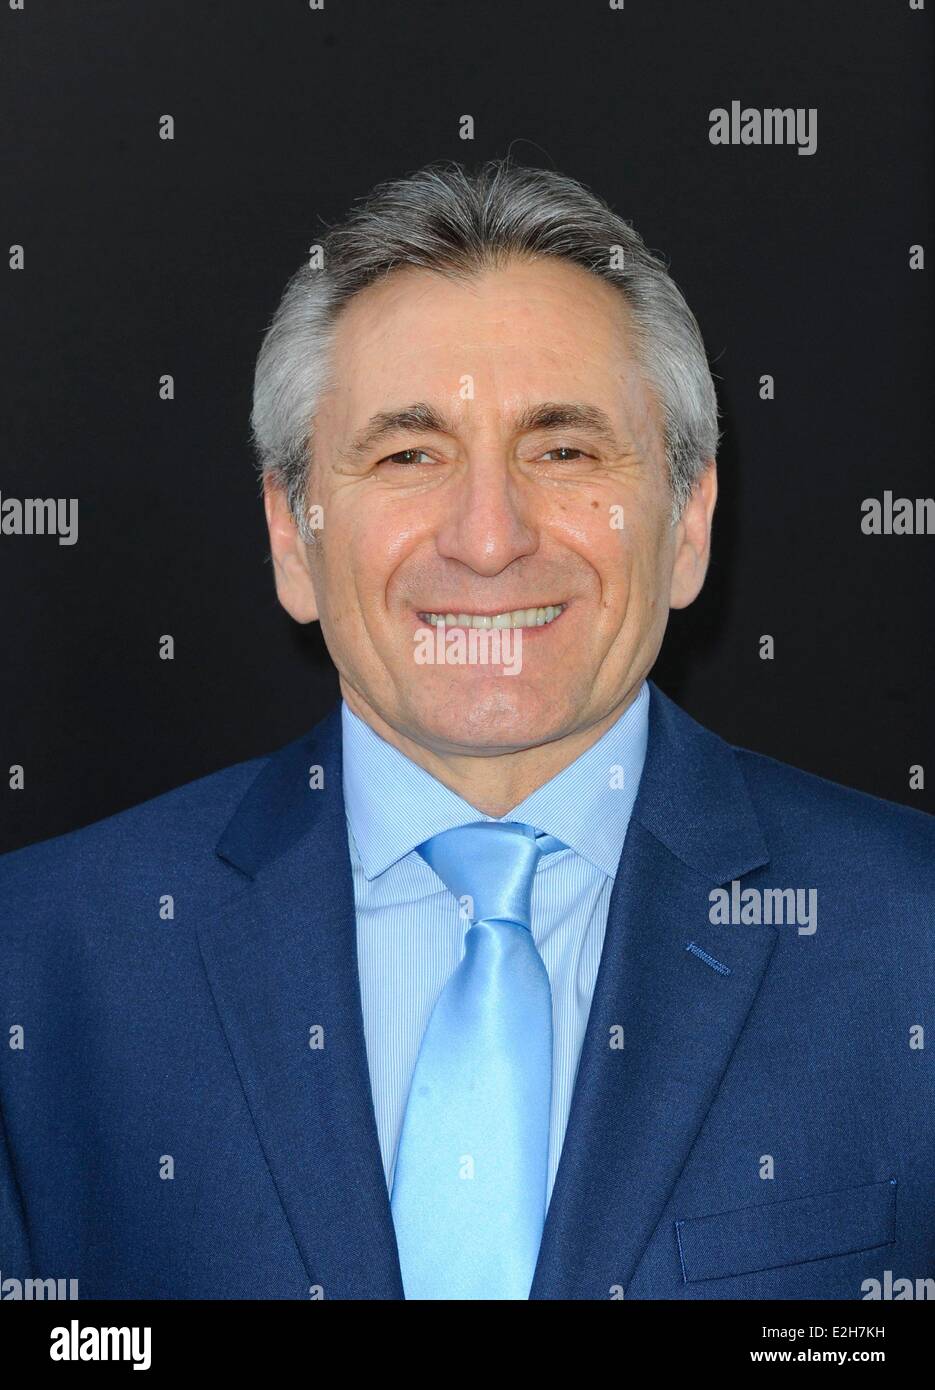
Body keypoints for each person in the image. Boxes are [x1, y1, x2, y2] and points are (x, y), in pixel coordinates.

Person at [2, 160, 932, 1301]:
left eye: (563, 449)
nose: (487, 538)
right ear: (292, 538)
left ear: (687, 524)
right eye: (407, 454)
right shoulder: (39, 965)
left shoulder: (908, 938)